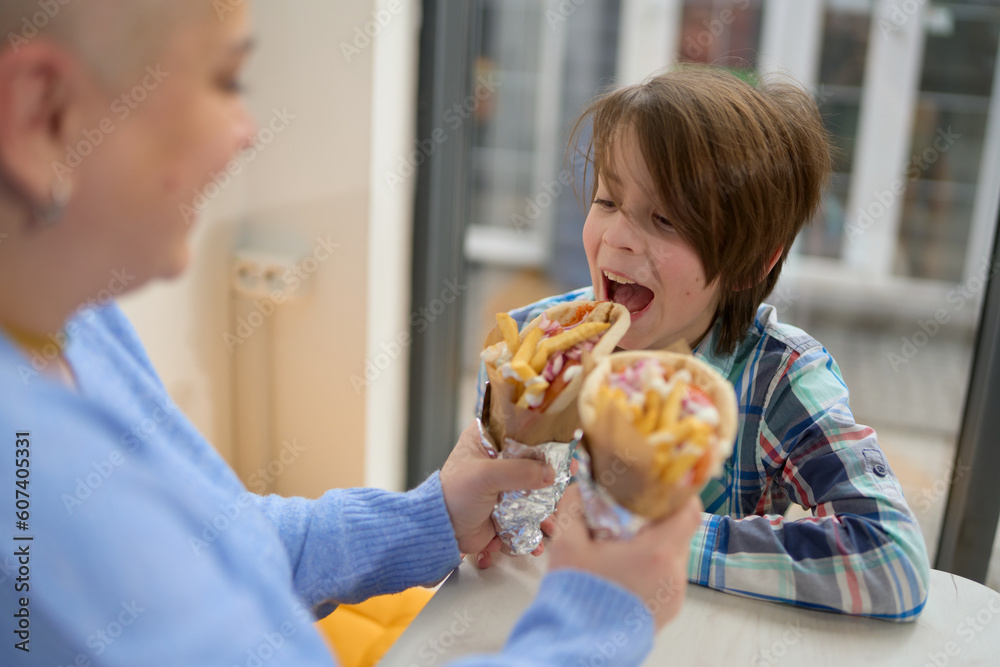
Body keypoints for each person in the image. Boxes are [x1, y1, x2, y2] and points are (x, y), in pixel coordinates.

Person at [0, 1, 701, 665]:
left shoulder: (75, 322)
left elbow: (218, 540)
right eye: (226, 79)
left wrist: (429, 517)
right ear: (44, 110)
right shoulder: (32, 480)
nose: (246, 131)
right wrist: (598, 612)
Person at [477, 67, 931, 621]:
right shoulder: (534, 346)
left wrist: (659, 538)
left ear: (752, 262)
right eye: (608, 201)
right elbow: (487, 526)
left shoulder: (779, 380)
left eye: (664, 218)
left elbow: (893, 561)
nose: (616, 237)